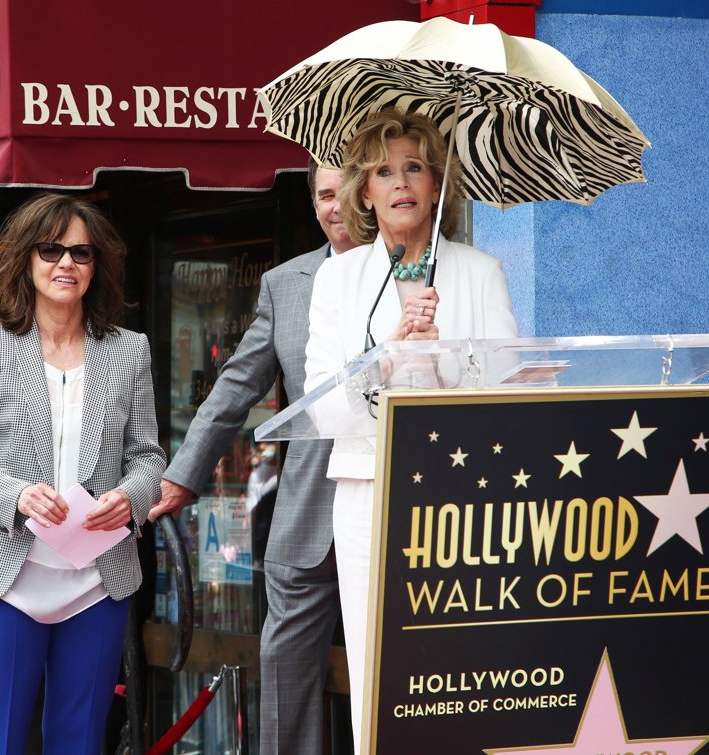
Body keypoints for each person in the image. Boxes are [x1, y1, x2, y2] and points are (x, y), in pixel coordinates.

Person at [304, 109, 519, 751]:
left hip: (464, 495)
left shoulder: (480, 272)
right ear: (363, 193)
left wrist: (444, 356)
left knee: (459, 663)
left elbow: (508, 395)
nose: (401, 183)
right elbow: (319, 407)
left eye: (415, 168)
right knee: (380, 665)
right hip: (369, 493)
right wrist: (389, 353)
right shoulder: (338, 279)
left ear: (436, 185)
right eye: (383, 171)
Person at [0, 192, 167, 755]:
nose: (66, 263)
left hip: (98, 577)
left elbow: (148, 456)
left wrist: (131, 497)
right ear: (26, 259)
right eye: (51, 249)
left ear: (96, 267)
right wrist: (18, 495)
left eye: (81, 253)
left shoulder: (128, 351)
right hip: (8, 576)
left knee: (80, 738)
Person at [150, 162, 357, 755]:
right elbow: (235, 387)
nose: (335, 206)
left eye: (345, 192)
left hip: (398, 505)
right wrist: (184, 477)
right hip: (307, 512)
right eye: (323, 195)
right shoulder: (286, 283)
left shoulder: (415, 271)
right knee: (284, 674)